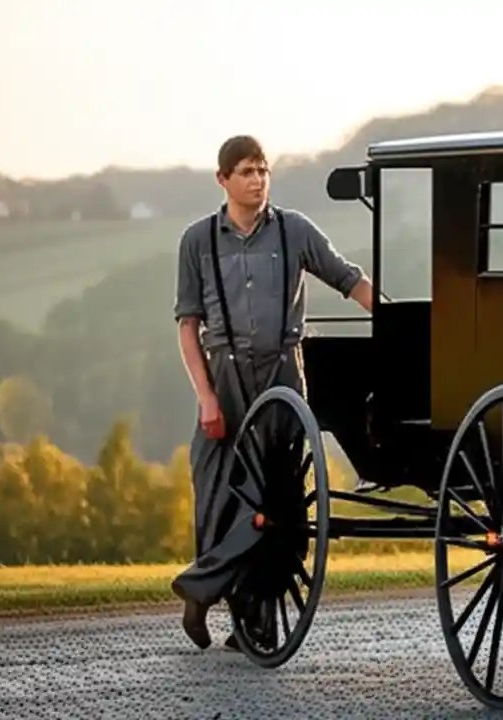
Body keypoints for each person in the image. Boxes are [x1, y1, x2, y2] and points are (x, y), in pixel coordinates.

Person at [170, 134, 373, 650]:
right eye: (245, 172)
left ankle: (239, 609)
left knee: (277, 503)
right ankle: (209, 594)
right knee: (220, 497)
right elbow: (187, 326)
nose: (257, 179)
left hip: (283, 374)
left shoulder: (294, 230)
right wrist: (207, 398)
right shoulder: (198, 240)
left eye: (262, 170)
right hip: (225, 378)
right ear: (223, 180)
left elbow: (350, 280)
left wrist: (403, 325)